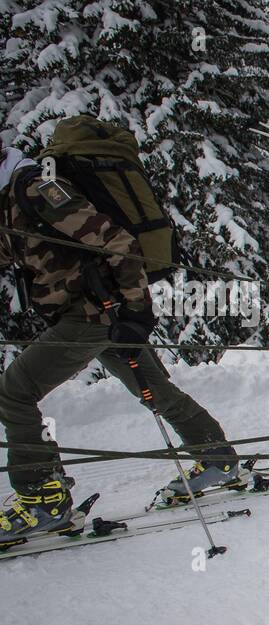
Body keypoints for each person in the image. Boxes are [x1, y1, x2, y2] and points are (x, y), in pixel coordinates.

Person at [0, 142, 240, 545]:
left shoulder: (36, 187)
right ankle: (216, 456)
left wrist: (135, 309)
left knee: (14, 391)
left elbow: (117, 241)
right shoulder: (10, 197)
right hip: (92, 313)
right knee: (155, 391)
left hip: (94, 313)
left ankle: (43, 499)